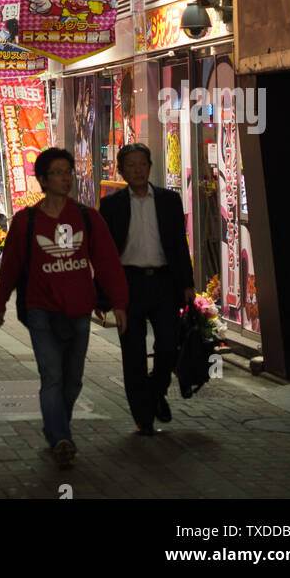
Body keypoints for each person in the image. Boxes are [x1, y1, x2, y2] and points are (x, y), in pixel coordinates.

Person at [0, 147, 128, 468]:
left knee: (73, 380)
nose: (65, 178)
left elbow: (108, 264)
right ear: (42, 179)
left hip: (79, 310)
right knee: (52, 376)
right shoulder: (27, 221)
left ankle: (57, 427)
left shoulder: (87, 217)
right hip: (41, 311)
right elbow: (11, 265)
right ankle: (60, 437)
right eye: (58, 172)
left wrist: (119, 303)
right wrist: (0, 303)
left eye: (68, 171)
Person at [98, 142, 196, 435]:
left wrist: (188, 284)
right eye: (131, 165)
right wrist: (103, 295)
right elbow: (105, 253)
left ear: (150, 167)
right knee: (133, 353)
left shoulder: (169, 200)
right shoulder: (112, 205)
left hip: (164, 283)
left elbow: (179, 244)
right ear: (121, 171)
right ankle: (143, 417)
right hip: (129, 285)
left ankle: (155, 392)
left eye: (142, 164)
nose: (138, 170)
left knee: (168, 346)